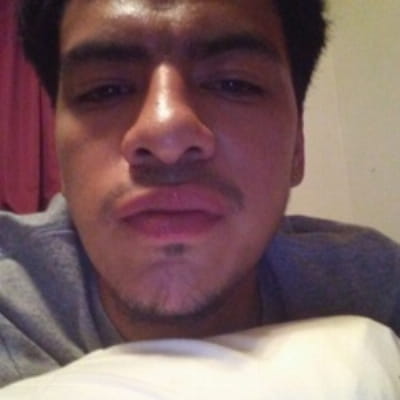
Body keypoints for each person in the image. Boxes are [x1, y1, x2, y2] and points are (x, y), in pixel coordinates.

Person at [0, 0, 399, 389]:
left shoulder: (377, 289)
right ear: (58, 151)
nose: (167, 136)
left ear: (297, 147)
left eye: (234, 83)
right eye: (105, 90)